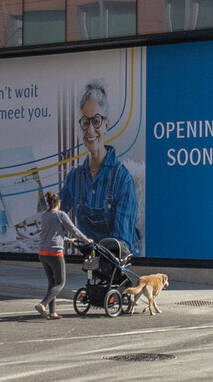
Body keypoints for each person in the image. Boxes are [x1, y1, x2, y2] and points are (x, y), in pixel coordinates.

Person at [58, 79, 141, 255]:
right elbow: (55, 214)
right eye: (85, 122)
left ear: (106, 125)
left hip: (122, 269)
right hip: (92, 264)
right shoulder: (75, 178)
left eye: (96, 121)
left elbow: (122, 245)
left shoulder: (122, 179)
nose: (90, 130)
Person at [34, 189, 89, 319]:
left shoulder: (45, 215)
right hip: (54, 253)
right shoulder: (61, 215)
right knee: (60, 283)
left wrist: (66, 240)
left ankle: (52, 312)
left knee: (52, 283)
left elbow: (50, 235)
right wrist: (86, 240)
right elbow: (74, 230)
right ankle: (43, 304)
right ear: (58, 203)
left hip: (43, 253)